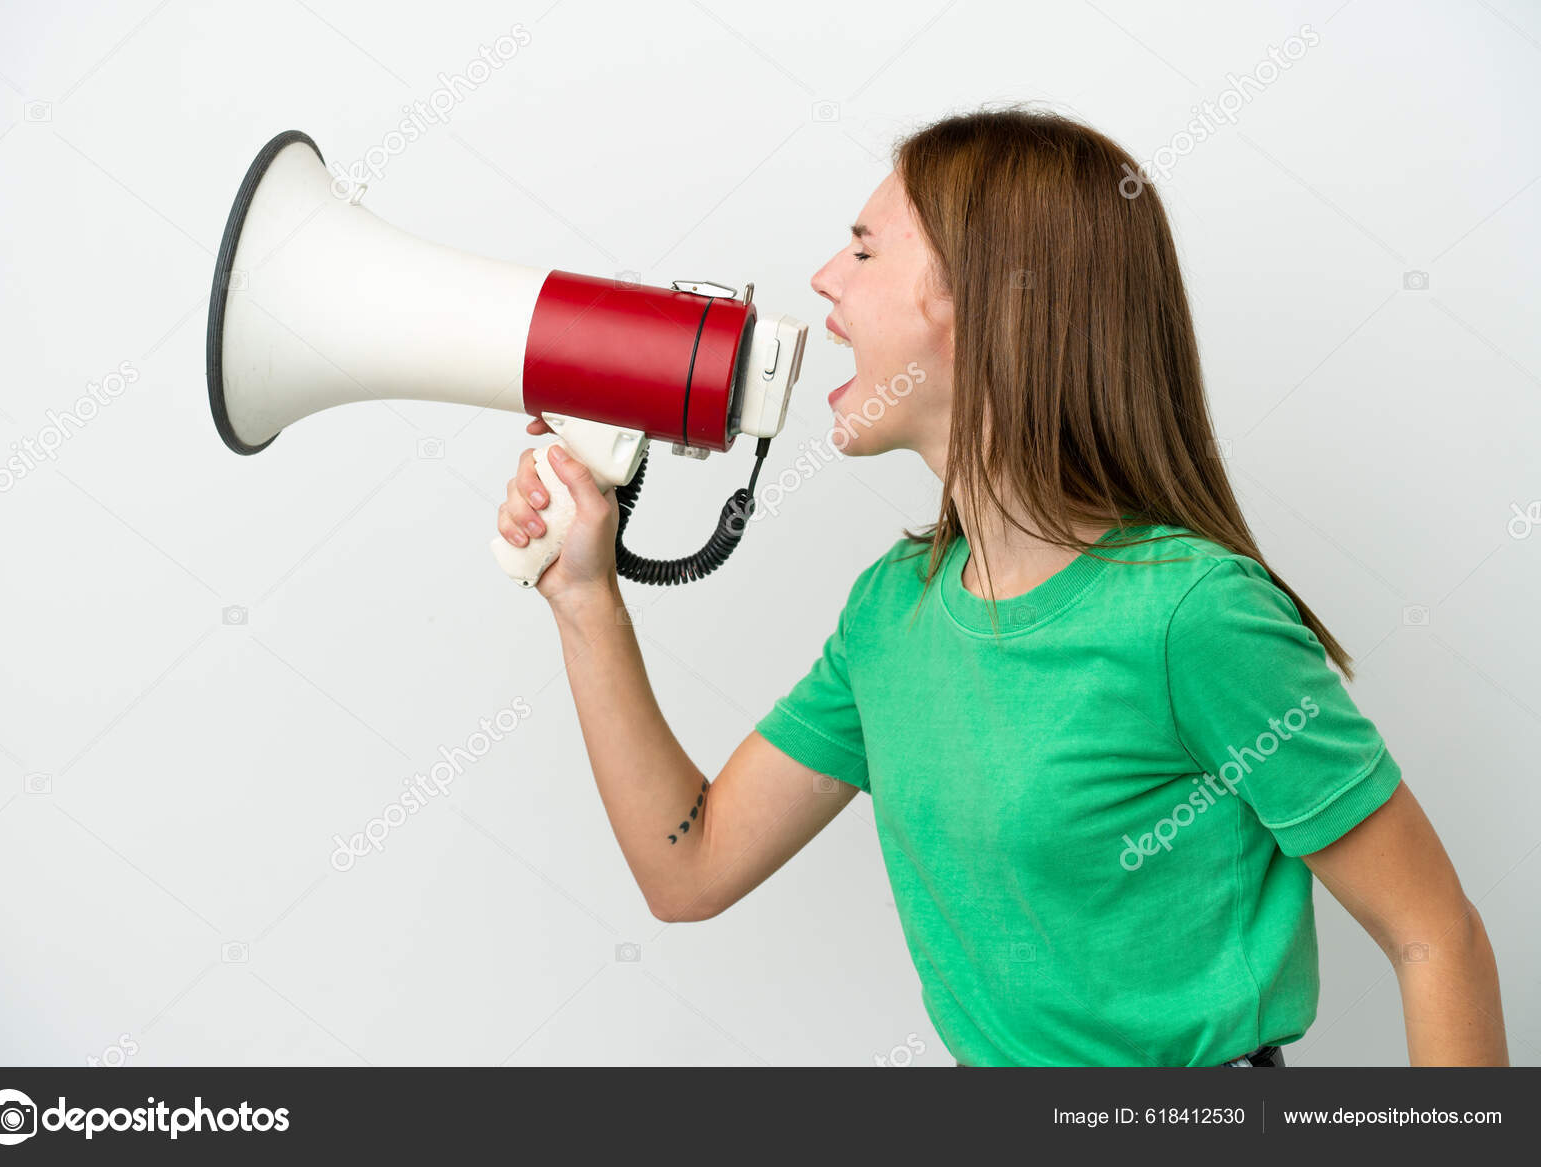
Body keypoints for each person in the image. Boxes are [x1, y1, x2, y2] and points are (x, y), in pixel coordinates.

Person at [494, 106, 1508, 1068]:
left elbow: (1434, 936)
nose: (821, 281)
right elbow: (691, 867)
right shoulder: (894, 610)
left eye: (862, 248)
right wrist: (585, 595)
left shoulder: (1191, 616)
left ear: (986, 296)